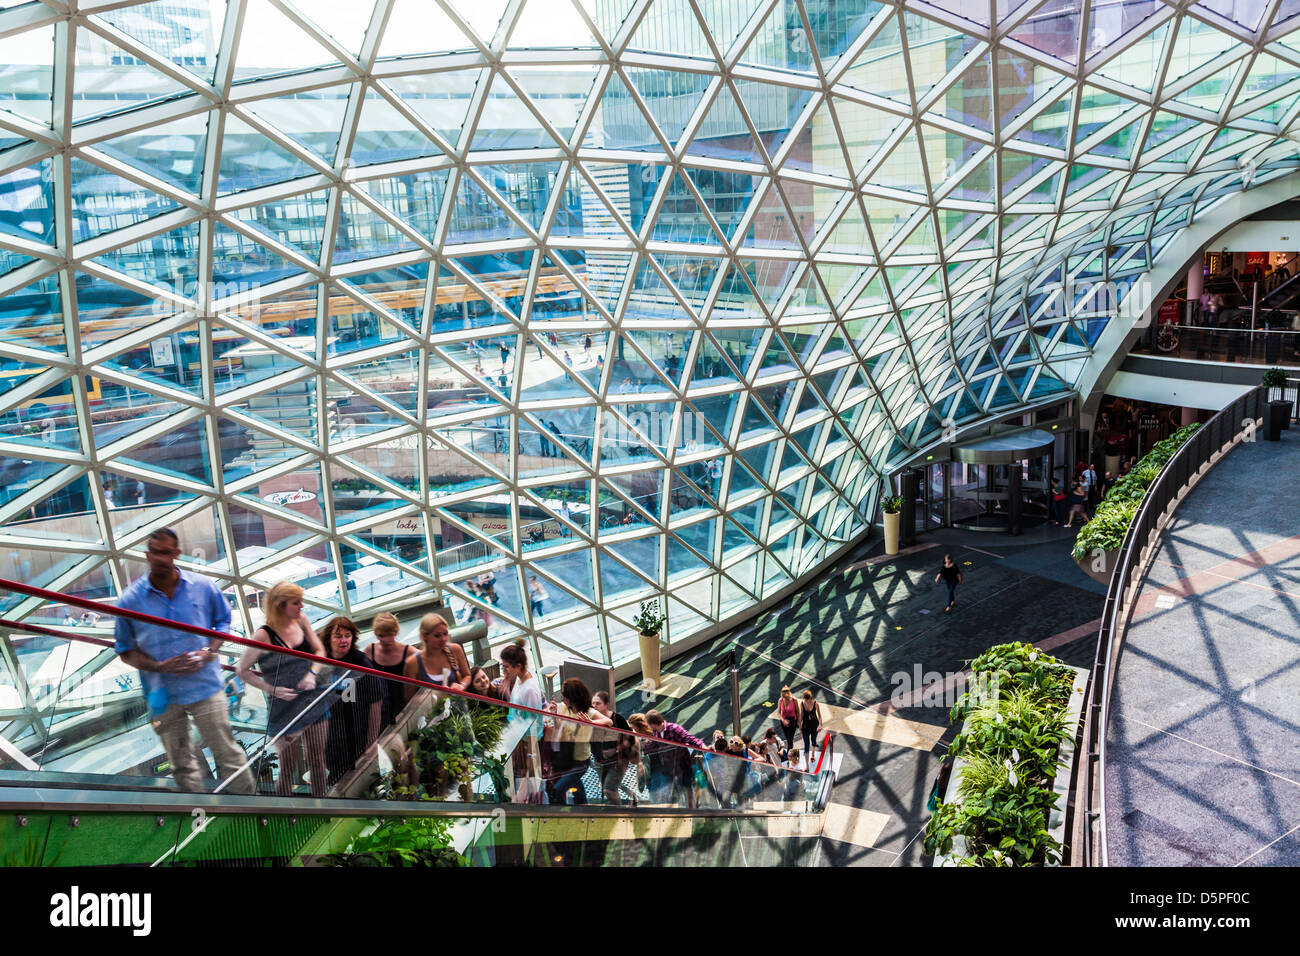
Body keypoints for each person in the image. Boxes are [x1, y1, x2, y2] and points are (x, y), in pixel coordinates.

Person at [115, 527, 254, 794]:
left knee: (228, 754)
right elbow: (124, 649)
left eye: (166, 553)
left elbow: (223, 621)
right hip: (161, 694)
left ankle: (248, 813)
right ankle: (198, 818)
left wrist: (209, 651)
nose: (160, 558)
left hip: (205, 686)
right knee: (181, 764)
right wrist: (158, 666)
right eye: (155, 552)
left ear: (177, 553)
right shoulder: (130, 600)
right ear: (147, 555)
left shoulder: (202, 587)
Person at [236, 582, 331, 797]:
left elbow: (319, 650)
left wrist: (312, 674)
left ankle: (321, 808)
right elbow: (242, 669)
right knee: (287, 767)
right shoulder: (263, 635)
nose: (302, 606)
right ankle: (283, 813)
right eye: (296, 602)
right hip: (284, 708)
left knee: (317, 761)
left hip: (312, 701)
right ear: (280, 605)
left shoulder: (301, 620)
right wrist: (272, 689)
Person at [319, 616, 382, 786]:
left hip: (356, 731)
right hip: (330, 733)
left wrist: (372, 741)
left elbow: (375, 701)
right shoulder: (320, 660)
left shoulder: (360, 662)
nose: (344, 640)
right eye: (338, 636)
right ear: (328, 639)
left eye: (347, 635)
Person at [545, 678, 612, 805]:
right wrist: (554, 714)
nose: (562, 698)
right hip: (566, 758)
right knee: (577, 791)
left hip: (580, 762)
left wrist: (591, 722)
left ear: (573, 697)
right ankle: (584, 810)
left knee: (556, 791)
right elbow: (558, 726)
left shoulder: (588, 712)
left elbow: (609, 722)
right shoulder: (563, 708)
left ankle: (562, 818)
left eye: (564, 695)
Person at [501, 638, 543, 779]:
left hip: (526, 743)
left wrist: (531, 757)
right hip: (517, 737)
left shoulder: (530, 689)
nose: (504, 670)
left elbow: (532, 724)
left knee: (528, 780)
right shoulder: (520, 679)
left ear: (518, 666)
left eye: (506, 667)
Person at [645, 709, 705, 808]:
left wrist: (703, 746)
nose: (648, 727)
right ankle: (682, 814)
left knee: (687, 790)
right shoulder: (656, 733)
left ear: (653, 724)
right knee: (677, 792)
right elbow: (653, 746)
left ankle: (692, 813)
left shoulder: (674, 729)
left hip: (683, 766)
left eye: (648, 724)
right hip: (670, 768)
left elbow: (690, 738)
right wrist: (644, 745)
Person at [364, 612, 413, 730]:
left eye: (390, 635)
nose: (386, 640)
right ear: (375, 634)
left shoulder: (408, 651)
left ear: (396, 632)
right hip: (380, 710)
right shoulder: (370, 650)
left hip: (404, 708)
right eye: (381, 636)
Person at [404, 612, 470, 691]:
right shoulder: (413, 663)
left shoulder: (455, 649)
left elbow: (467, 675)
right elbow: (410, 697)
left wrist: (462, 685)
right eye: (437, 636)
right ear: (425, 636)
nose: (443, 639)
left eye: (445, 634)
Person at [592, 689, 633, 803]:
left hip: (618, 760)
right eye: (593, 703)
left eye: (598, 703)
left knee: (609, 790)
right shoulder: (592, 720)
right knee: (609, 785)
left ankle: (621, 813)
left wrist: (616, 750)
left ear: (606, 705)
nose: (594, 706)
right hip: (601, 761)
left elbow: (630, 737)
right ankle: (631, 796)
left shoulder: (617, 719)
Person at [798, 690, 822, 760]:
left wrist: (820, 725)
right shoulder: (802, 703)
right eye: (804, 699)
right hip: (805, 726)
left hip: (814, 726)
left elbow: (820, 716)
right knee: (806, 745)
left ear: (810, 698)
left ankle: (813, 754)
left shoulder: (815, 704)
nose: (805, 701)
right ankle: (807, 764)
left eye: (806, 699)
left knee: (813, 741)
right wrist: (800, 727)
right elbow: (801, 715)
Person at [776, 685, 799, 753]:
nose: (786, 698)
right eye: (784, 697)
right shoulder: (780, 700)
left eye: (787, 697)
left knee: (789, 739)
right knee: (788, 738)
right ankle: (791, 748)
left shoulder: (794, 699)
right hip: (783, 721)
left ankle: (790, 755)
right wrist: (783, 720)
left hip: (792, 721)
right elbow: (778, 713)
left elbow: (798, 711)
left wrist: (799, 722)